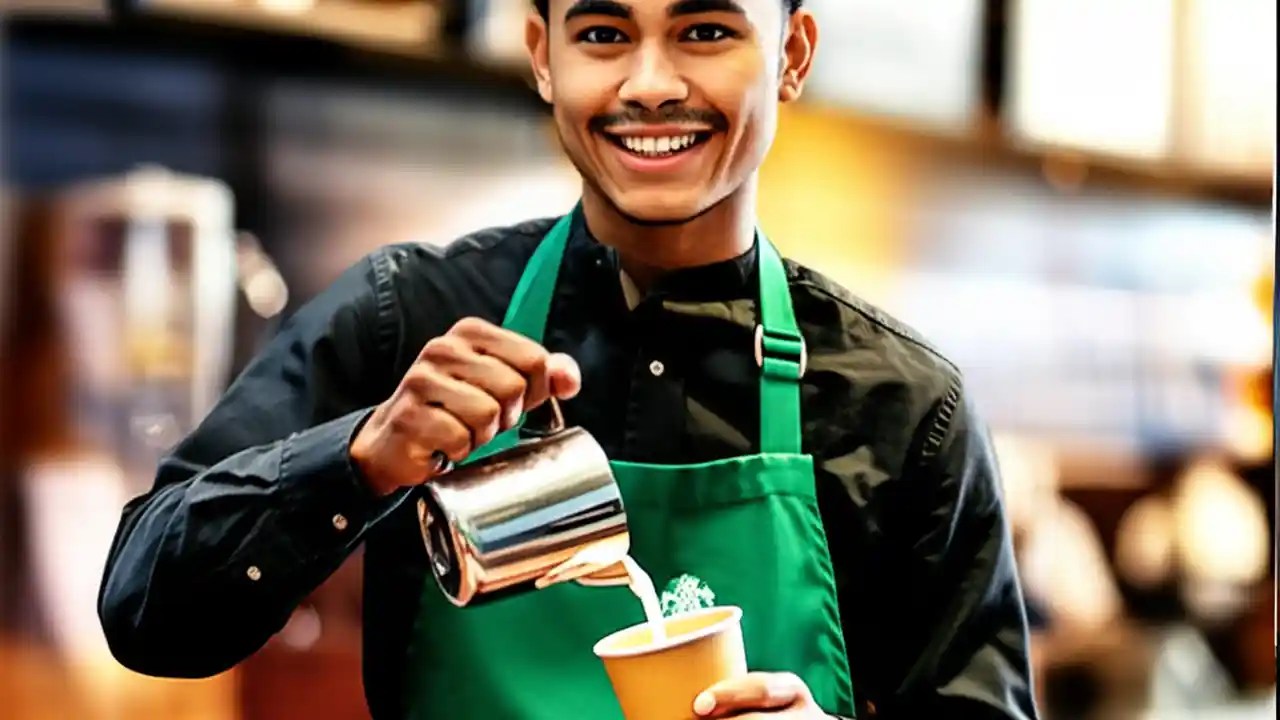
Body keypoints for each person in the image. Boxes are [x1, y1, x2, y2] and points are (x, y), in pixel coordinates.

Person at [98, 1, 1039, 718]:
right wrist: (359, 458)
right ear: (541, 55)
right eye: (602, 34)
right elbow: (146, 614)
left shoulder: (906, 406)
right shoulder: (404, 320)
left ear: (790, 55)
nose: (650, 84)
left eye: (706, 30)